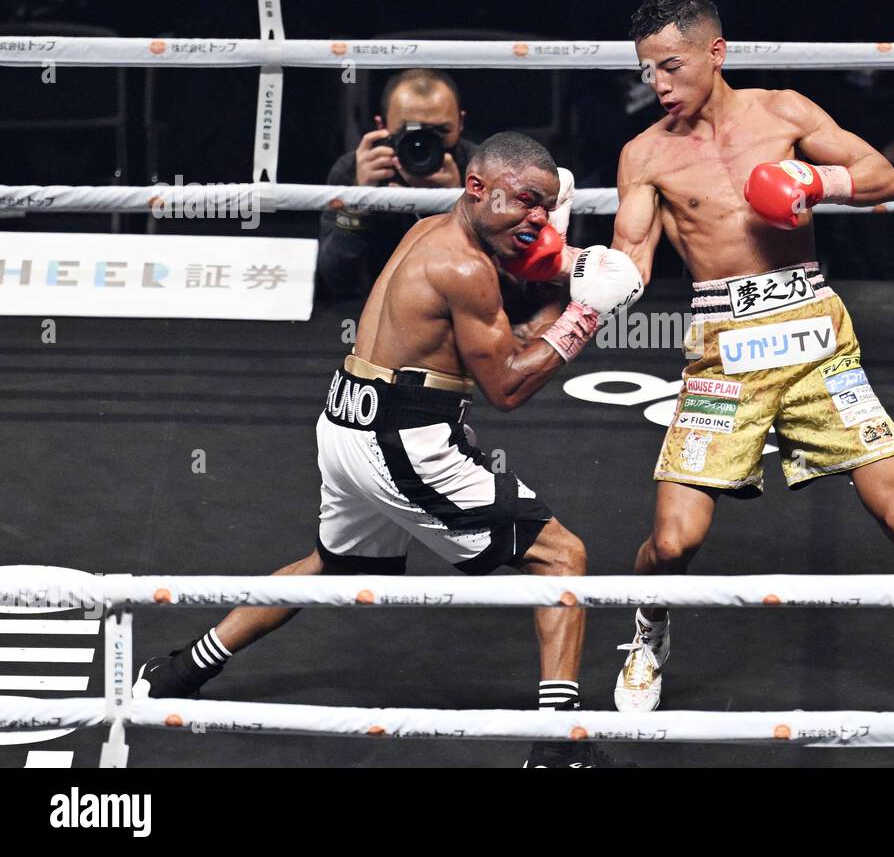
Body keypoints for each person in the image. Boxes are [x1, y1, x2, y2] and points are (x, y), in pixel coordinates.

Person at [607, 0, 894, 763]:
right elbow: (632, 262)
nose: (658, 85)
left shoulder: (786, 113)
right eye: (647, 73)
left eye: (669, 66)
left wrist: (814, 183)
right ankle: (648, 632)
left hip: (813, 340)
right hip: (722, 350)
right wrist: (584, 280)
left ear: (715, 52)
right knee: (673, 542)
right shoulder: (645, 155)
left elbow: (882, 176)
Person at [135, 132, 644, 768]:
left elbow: (503, 309)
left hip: (348, 421)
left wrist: (552, 252)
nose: (535, 219)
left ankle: (180, 668)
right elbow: (508, 385)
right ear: (477, 188)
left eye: (544, 207)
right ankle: (558, 744)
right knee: (562, 557)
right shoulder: (464, 269)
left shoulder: (435, 229)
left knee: (332, 564)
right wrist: (585, 316)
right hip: (403, 441)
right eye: (525, 203)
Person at [318, 68, 477, 300]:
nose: (422, 144)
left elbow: (496, 284)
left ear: (460, 123)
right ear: (382, 126)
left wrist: (456, 206)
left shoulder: (479, 170)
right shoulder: (354, 172)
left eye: (440, 132)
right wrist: (358, 205)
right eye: (409, 132)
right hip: (374, 311)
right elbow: (336, 281)